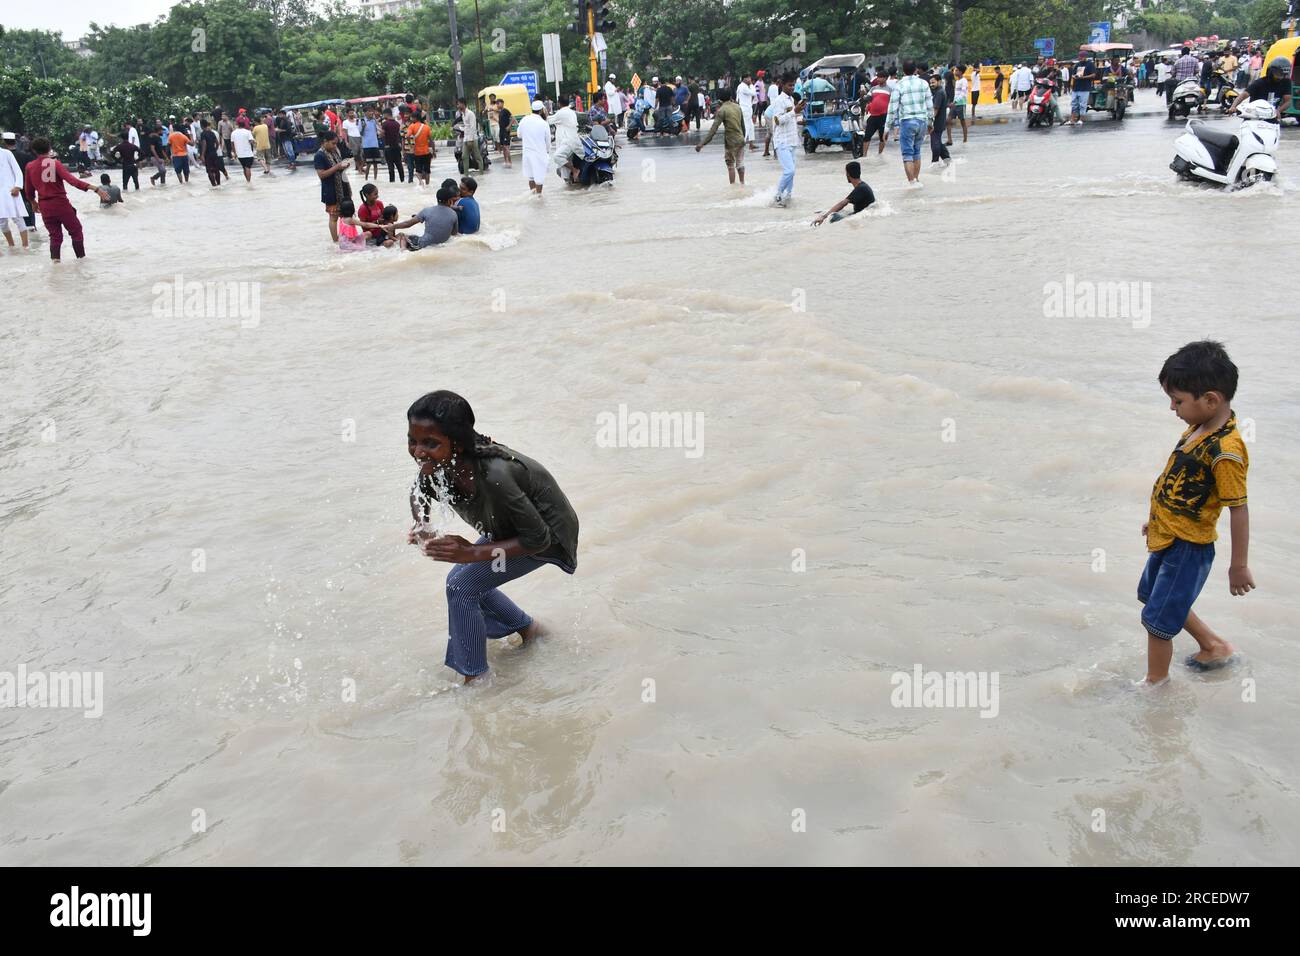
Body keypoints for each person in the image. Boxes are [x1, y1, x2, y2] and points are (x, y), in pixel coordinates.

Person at [406, 390, 578, 683]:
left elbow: (539, 538)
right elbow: (418, 492)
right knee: (462, 582)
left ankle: (477, 679)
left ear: (457, 443)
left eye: (430, 443)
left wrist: (472, 553)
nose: (419, 451)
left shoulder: (496, 475)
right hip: (508, 530)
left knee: (462, 587)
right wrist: (421, 523)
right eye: (412, 440)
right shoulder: (438, 464)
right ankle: (529, 630)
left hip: (548, 537)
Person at [1139, 341, 1252, 685]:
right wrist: (1157, 519)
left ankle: (1154, 685)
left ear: (1211, 399)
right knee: (1153, 597)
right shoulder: (1199, 428)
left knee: (1158, 622)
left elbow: (1239, 509)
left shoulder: (1226, 452)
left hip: (1188, 547)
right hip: (1169, 534)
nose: (1173, 408)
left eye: (1178, 401)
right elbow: (1182, 483)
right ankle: (1213, 645)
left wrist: (1239, 565)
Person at [22, 137, 110, 261]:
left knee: (55, 236)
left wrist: (33, 202)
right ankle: (81, 261)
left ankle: (56, 264)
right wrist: (95, 188)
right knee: (76, 231)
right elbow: (72, 180)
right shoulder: (55, 163)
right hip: (60, 203)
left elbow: (28, 190)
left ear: (34, 151)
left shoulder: (29, 166)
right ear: (49, 148)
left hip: (44, 206)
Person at [887, 59, 933, 186]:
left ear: (903, 71)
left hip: (907, 122)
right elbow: (930, 105)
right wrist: (930, 123)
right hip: (922, 121)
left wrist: (886, 128)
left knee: (907, 154)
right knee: (917, 151)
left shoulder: (899, 85)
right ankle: (916, 180)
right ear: (915, 70)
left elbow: (892, 108)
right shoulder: (924, 84)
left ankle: (912, 182)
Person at [694, 87, 747, 185]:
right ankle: (742, 184)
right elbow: (743, 127)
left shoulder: (722, 110)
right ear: (731, 96)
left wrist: (701, 144)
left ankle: (733, 187)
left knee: (730, 164)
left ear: (719, 99)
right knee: (740, 163)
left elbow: (713, 130)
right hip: (740, 139)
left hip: (731, 142)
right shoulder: (737, 107)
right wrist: (743, 139)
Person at [390, 185, 459, 250]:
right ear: (450, 201)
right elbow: (454, 233)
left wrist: (392, 227)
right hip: (442, 246)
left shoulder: (427, 210)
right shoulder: (454, 214)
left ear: (437, 199)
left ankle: (402, 252)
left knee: (403, 236)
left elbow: (407, 224)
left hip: (423, 245)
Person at [770, 72, 802, 206]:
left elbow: (792, 118)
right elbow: (778, 121)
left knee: (792, 172)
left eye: (793, 85)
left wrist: (798, 113)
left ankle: (788, 196)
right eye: (789, 85)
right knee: (789, 170)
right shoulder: (779, 101)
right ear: (782, 85)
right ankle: (777, 196)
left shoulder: (791, 99)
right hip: (782, 141)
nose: (792, 88)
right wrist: (794, 111)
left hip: (792, 140)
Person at [314, 131, 352, 242]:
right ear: (325, 142)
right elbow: (321, 175)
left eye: (336, 144)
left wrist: (344, 166)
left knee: (346, 215)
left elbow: (338, 167)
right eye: (333, 143)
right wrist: (337, 167)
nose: (335, 146)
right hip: (331, 190)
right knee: (334, 217)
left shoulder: (335, 151)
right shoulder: (319, 155)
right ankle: (335, 241)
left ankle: (347, 237)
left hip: (342, 187)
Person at [812, 160, 875, 226]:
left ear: (848, 174)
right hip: (863, 216)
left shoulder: (861, 188)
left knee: (833, 217)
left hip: (863, 219)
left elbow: (843, 203)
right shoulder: (863, 186)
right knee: (826, 213)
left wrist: (823, 217)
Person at [1229, 57, 1293, 119]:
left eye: (1283, 74)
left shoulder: (1286, 83)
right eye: (1278, 73)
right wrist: (1233, 106)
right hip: (1255, 116)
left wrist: (1278, 111)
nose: (1280, 77)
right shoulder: (1260, 82)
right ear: (1271, 71)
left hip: (1272, 116)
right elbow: (1243, 95)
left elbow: (1288, 101)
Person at [0, 135, 29, 250]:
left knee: (18, 218)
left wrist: (17, 186)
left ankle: (25, 246)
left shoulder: (6, 153)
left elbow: (17, 171)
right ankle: (11, 245)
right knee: (1, 222)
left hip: (11, 190)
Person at [518, 99, 551, 194]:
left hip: (527, 153)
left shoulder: (524, 120)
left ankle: (533, 195)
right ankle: (539, 197)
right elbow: (548, 141)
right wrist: (547, 152)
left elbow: (519, 135)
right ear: (541, 110)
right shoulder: (544, 123)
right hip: (539, 153)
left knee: (531, 177)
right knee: (539, 178)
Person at [549, 96, 582, 183]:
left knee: (557, 157)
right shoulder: (571, 112)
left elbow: (549, 120)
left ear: (559, 103)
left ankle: (574, 170)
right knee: (566, 163)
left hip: (568, 141)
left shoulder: (561, 113)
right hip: (572, 140)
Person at [928, 70, 952, 164]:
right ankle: (947, 159)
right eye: (930, 83)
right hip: (940, 121)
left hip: (937, 122)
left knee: (935, 144)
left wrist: (930, 122)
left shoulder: (939, 93)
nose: (931, 85)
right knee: (938, 142)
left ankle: (935, 162)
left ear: (939, 81)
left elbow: (935, 109)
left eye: (933, 82)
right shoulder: (940, 91)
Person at [1068, 51, 1096, 125]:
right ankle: (1072, 119)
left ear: (1085, 57)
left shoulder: (1090, 64)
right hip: (1076, 87)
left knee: (1083, 104)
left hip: (1085, 87)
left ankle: (1081, 119)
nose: (1080, 58)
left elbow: (1093, 75)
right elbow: (1073, 75)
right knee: (1074, 104)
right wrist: (1074, 76)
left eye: (1082, 56)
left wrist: (1084, 77)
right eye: (1079, 56)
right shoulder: (1077, 64)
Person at [455, 98, 482, 174]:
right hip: (465, 138)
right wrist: (460, 128)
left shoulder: (470, 113)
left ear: (463, 104)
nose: (458, 106)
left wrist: (470, 139)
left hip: (472, 138)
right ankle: (466, 175)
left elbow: (473, 127)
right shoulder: (463, 114)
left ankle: (481, 173)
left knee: (477, 157)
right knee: (464, 157)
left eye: (459, 104)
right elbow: (467, 126)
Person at [198, 119, 223, 186]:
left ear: (201, 125)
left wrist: (202, 155)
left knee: (209, 170)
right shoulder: (212, 133)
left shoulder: (203, 133)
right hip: (214, 153)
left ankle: (214, 185)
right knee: (216, 169)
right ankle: (219, 184)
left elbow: (204, 144)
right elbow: (217, 143)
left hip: (207, 154)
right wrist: (215, 149)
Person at [381, 111, 404, 182]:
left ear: (386, 114)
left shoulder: (385, 124)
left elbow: (382, 134)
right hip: (397, 147)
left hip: (388, 147)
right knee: (399, 165)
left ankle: (392, 181)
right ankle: (402, 180)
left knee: (390, 166)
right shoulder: (397, 124)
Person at [496, 99, 513, 168]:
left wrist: (509, 126)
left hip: (506, 131)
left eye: (498, 103)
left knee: (506, 146)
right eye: (496, 104)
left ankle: (510, 161)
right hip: (501, 131)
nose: (497, 105)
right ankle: (505, 161)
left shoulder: (506, 110)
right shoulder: (500, 112)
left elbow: (513, 118)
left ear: (502, 103)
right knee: (503, 146)